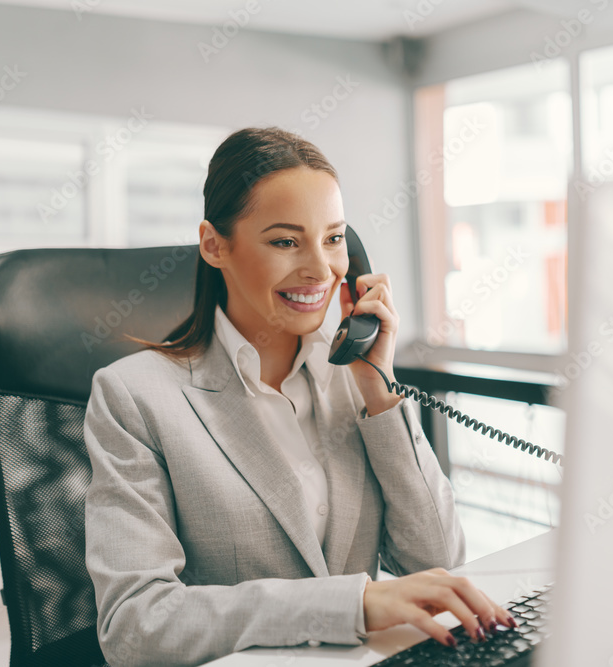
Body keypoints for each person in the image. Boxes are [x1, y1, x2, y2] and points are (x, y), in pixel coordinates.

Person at [83, 126, 517, 667]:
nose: (320, 269)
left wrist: (378, 393)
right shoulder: (134, 396)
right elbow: (134, 627)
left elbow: (437, 561)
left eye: (334, 238)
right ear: (215, 245)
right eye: (286, 241)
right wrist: (349, 605)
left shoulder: (351, 377)